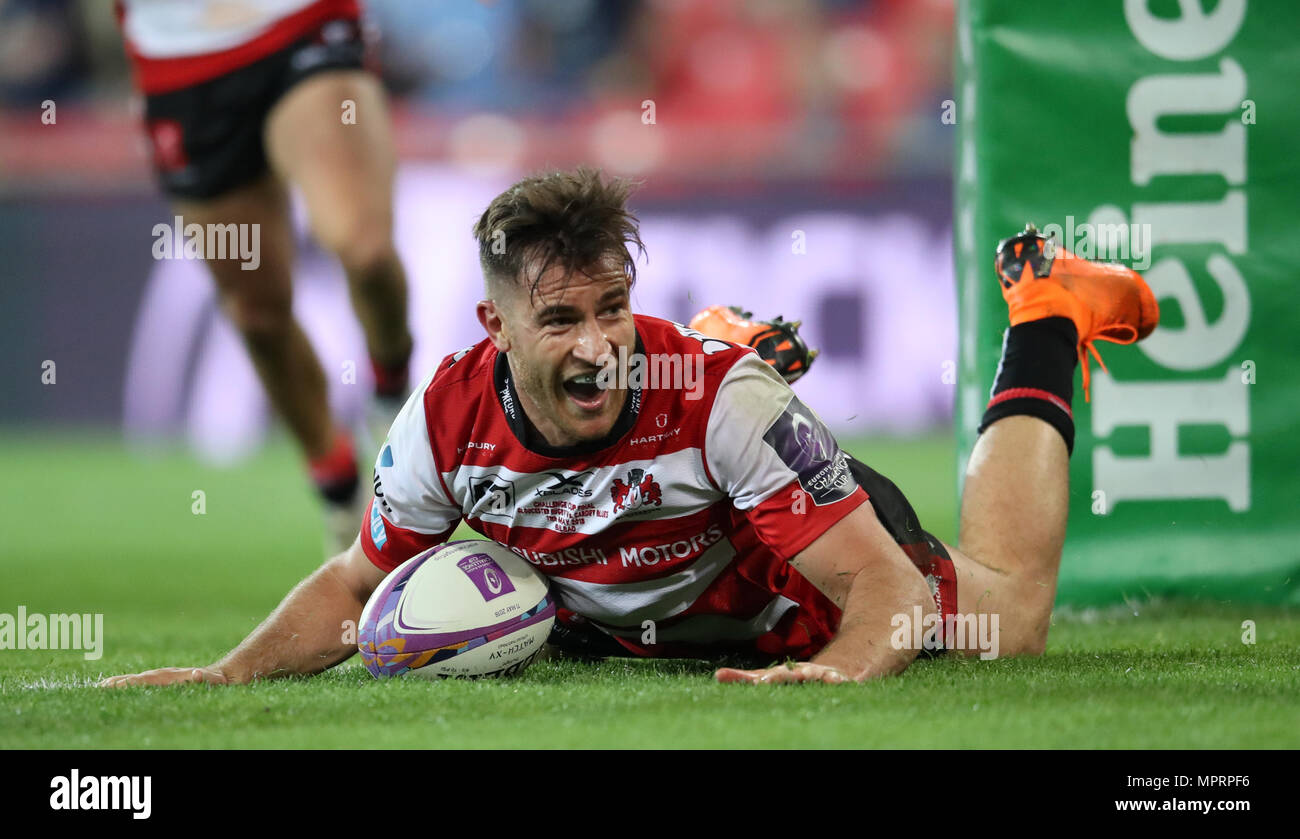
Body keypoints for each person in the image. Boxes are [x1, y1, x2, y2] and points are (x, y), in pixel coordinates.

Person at [100, 167, 1158, 687]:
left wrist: (840, 669)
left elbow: (879, 586)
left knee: (1005, 619)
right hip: (628, 609)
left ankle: (1046, 313)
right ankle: (725, 344)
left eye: (613, 307)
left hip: (786, 568)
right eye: (561, 318)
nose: (600, 342)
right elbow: (351, 581)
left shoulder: (708, 399)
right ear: (494, 326)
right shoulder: (444, 419)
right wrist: (226, 674)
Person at [117, 0, 414, 553]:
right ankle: (340, 496)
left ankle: (392, 401)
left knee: (363, 246)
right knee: (257, 313)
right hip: (181, 64)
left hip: (300, 25)